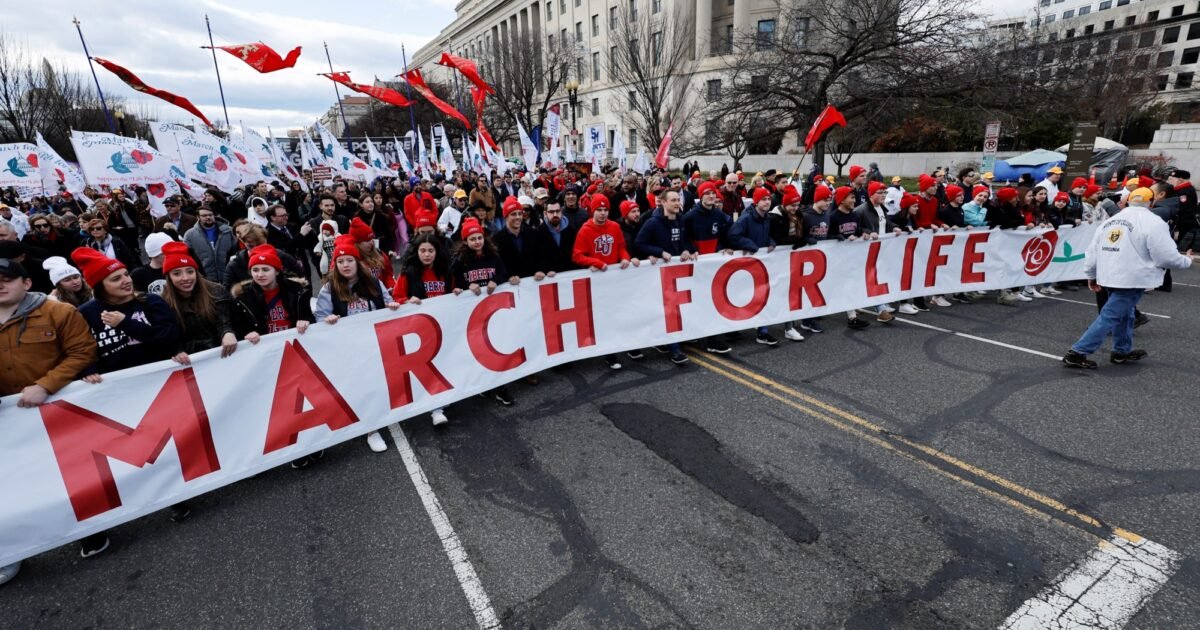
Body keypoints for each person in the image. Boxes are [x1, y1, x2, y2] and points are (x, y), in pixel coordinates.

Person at [70, 246, 183, 556]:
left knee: (164, 446)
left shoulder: (150, 302)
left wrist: (126, 323)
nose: (125, 282)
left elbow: (169, 338)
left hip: (156, 389)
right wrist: (89, 371)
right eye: (115, 279)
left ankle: (178, 496)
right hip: (114, 397)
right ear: (99, 286)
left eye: (124, 275)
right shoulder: (86, 315)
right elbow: (81, 351)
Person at [0, 256, 99, 586]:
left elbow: (83, 352)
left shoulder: (59, 312)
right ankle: (14, 550)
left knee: (72, 477)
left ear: (26, 283)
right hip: (10, 422)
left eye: (7, 278)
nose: (0, 284)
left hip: (58, 411)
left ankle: (88, 530)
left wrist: (46, 384)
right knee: (18, 484)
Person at [1062, 187, 1196, 369]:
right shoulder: (1153, 222)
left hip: (1109, 274)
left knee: (1125, 314)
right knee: (1110, 315)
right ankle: (1078, 352)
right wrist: (1186, 261)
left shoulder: (1111, 221)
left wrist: (1092, 274)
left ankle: (1121, 351)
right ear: (1151, 202)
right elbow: (1166, 256)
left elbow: (1093, 251)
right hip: (1132, 277)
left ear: (1128, 201)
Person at [313, 235, 400, 451]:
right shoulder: (329, 288)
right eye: (340, 262)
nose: (345, 265)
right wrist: (328, 320)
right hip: (349, 349)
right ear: (335, 264)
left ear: (357, 262)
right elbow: (320, 318)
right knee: (362, 387)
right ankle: (372, 430)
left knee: (380, 383)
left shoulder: (371, 281)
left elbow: (387, 301)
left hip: (375, 344)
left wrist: (392, 306)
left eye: (349, 260)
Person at [391, 233, 458, 426]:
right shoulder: (408, 272)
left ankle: (443, 400)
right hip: (418, 331)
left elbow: (451, 292)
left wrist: (456, 293)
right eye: (423, 250)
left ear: (437, 252)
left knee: (443, 363)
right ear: (416, 252)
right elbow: (396, 298)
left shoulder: (445, 272)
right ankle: (435, 409)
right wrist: (407, 301)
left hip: (442, 326)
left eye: (430, 250)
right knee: (428, 368)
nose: (427, 255)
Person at [451, 218, 517, 406]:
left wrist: (496, 279)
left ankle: (501, 387)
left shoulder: (494, 256)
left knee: (497, 346)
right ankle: (483, 384)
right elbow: (454, 282)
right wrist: (465, 285)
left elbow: (503, 272)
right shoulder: (460, 261)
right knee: (479, 349)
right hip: (472, 314)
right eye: (472, 239)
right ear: (465, 241)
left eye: (479, 237)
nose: (477, 241)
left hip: (494, 312)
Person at [635, 190, 694, 365]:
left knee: (676, 309)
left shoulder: (681, 220)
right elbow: (640, 243)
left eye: (678, 200)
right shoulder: (653, 222)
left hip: (677, 273)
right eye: (673, 200)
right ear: (663, 203)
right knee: (667, 311)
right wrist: (658, 252)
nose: (677, 203)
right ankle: (674, 350)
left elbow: (685, 241)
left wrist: (686, 250)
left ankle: (670, 341)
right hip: (659, 274)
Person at [182, 206, 236, 285]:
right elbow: (188, 256)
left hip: (229, 276)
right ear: (198, 217)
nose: (208, 217)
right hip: (205, 279)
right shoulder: (190, 235)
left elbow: (236, 251)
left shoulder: (228, 231)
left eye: (210, 215)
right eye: (204, 216)